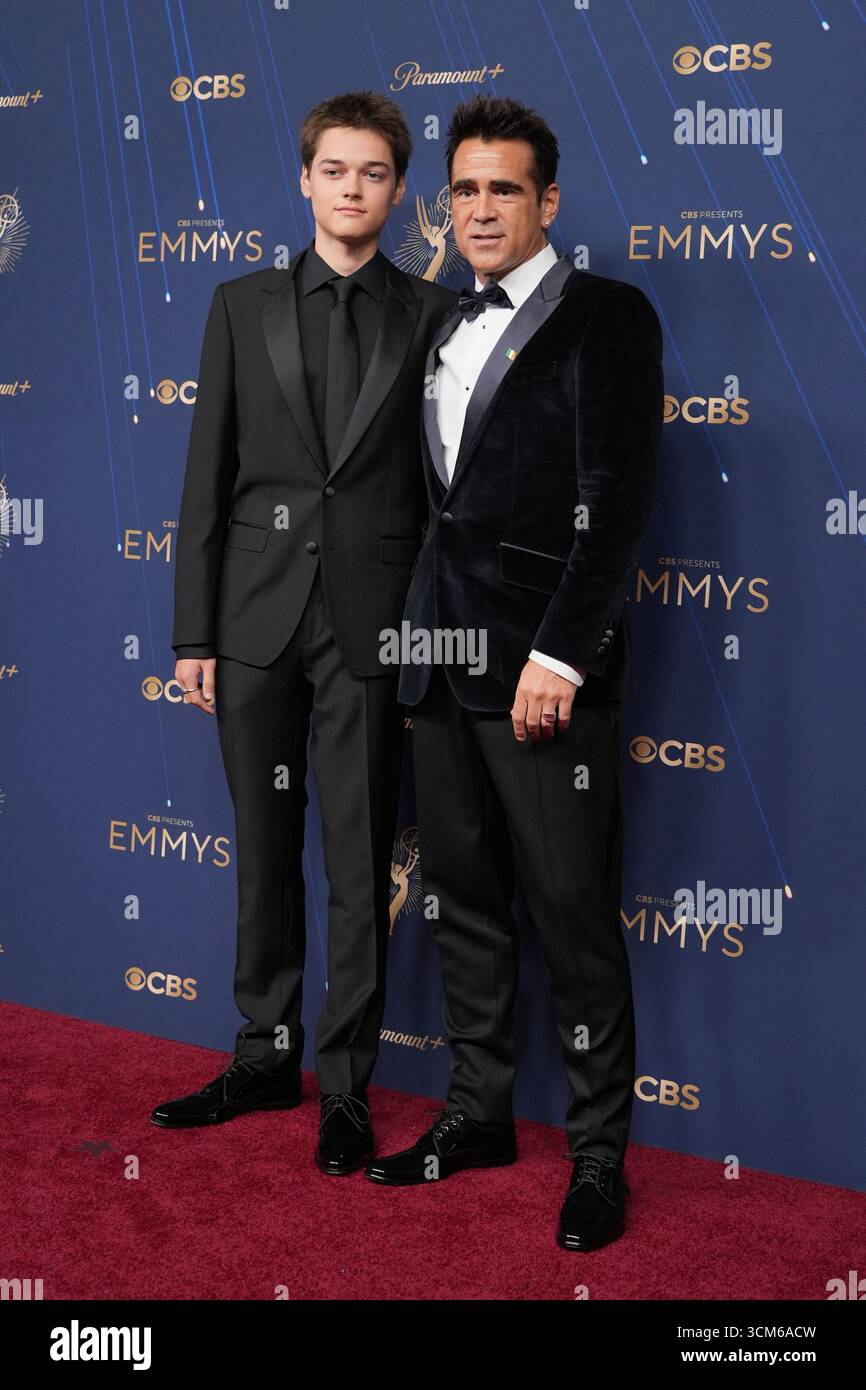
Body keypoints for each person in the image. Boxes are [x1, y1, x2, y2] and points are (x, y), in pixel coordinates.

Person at [364, 95, 663, 1251]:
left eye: (504, 189)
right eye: (465, 189)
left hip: (541, 674)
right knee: (466, 911)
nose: (480, 208)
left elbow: (616, 505)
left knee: (574, 920)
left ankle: (597, 1158)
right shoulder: (441, 321)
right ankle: (476, 1115)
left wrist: (559, 653)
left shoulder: (605, 318)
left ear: (546, 202)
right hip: (436, 664)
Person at [151, 91, 456, 1178]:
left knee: (357, 861)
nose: (351, 188)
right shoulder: (240, 304)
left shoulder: (431, 314)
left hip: (372, 632)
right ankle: (262, 1054)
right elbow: (205, 484)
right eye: (334, 169)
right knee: (263, 855)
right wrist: (195, 635)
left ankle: (344, 1084)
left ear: (396, 189)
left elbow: (438, 496)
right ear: (304, 179)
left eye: (373, 173)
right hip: (253, 624)